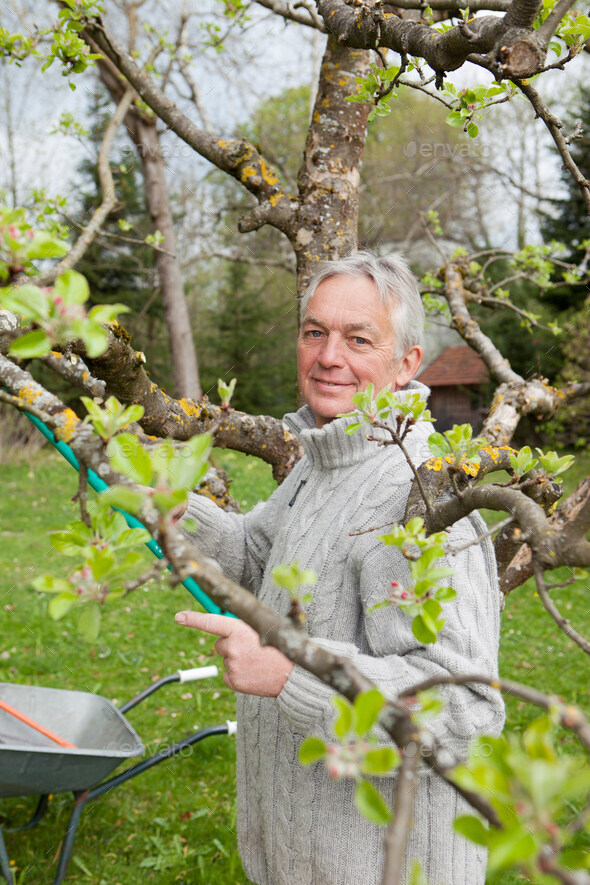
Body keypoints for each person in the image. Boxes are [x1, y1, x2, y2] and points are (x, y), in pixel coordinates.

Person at [175, 251, 504, 885]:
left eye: (359, 339)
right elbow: (258, 560)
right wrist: (173, 512)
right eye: (315, 332)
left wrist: (291, 674)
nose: (329, 356)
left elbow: (464, 707)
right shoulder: (323, 460)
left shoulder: (420, 497)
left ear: (407, 362)